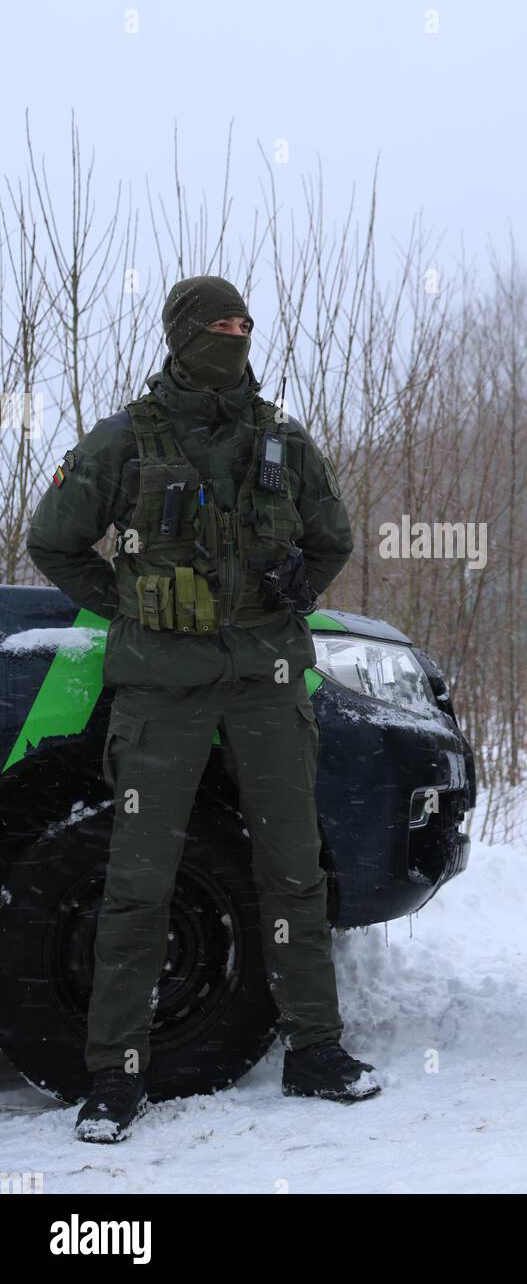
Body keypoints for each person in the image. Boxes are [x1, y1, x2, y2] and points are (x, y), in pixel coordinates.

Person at [27, 275, 381, 1141]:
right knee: (138, 881)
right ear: (183, 335)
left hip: (266, 680)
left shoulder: (282, 441)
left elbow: (332, 535)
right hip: (162, 689)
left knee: (294, 870)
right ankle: (116, 1073)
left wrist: (304, 583)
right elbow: (54, 537)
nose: (236, 335)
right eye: (219, 324)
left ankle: (316, 1049)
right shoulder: (123, 441)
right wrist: (129, 605)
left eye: (244, 323)